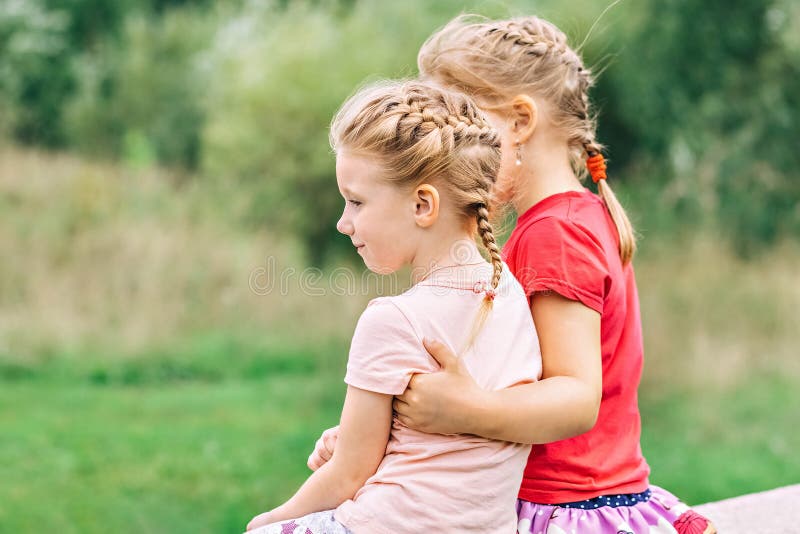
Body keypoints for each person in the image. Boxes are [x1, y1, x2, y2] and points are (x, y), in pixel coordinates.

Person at [308, 15, 717, 534]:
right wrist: (370, 433)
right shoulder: (563, 221)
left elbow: (574, 396)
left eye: (463, 125)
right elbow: (498, 374)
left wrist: (468, 409)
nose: (444, 150)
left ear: (520, 123)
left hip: (564, 506)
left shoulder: (556, 235)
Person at [245, 79, 542, 534]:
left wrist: (270, 520)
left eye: (356, 202)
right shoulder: (511, 297)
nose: (344, 223)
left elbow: (348, 475)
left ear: (423, 204)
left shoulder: (393, 319)